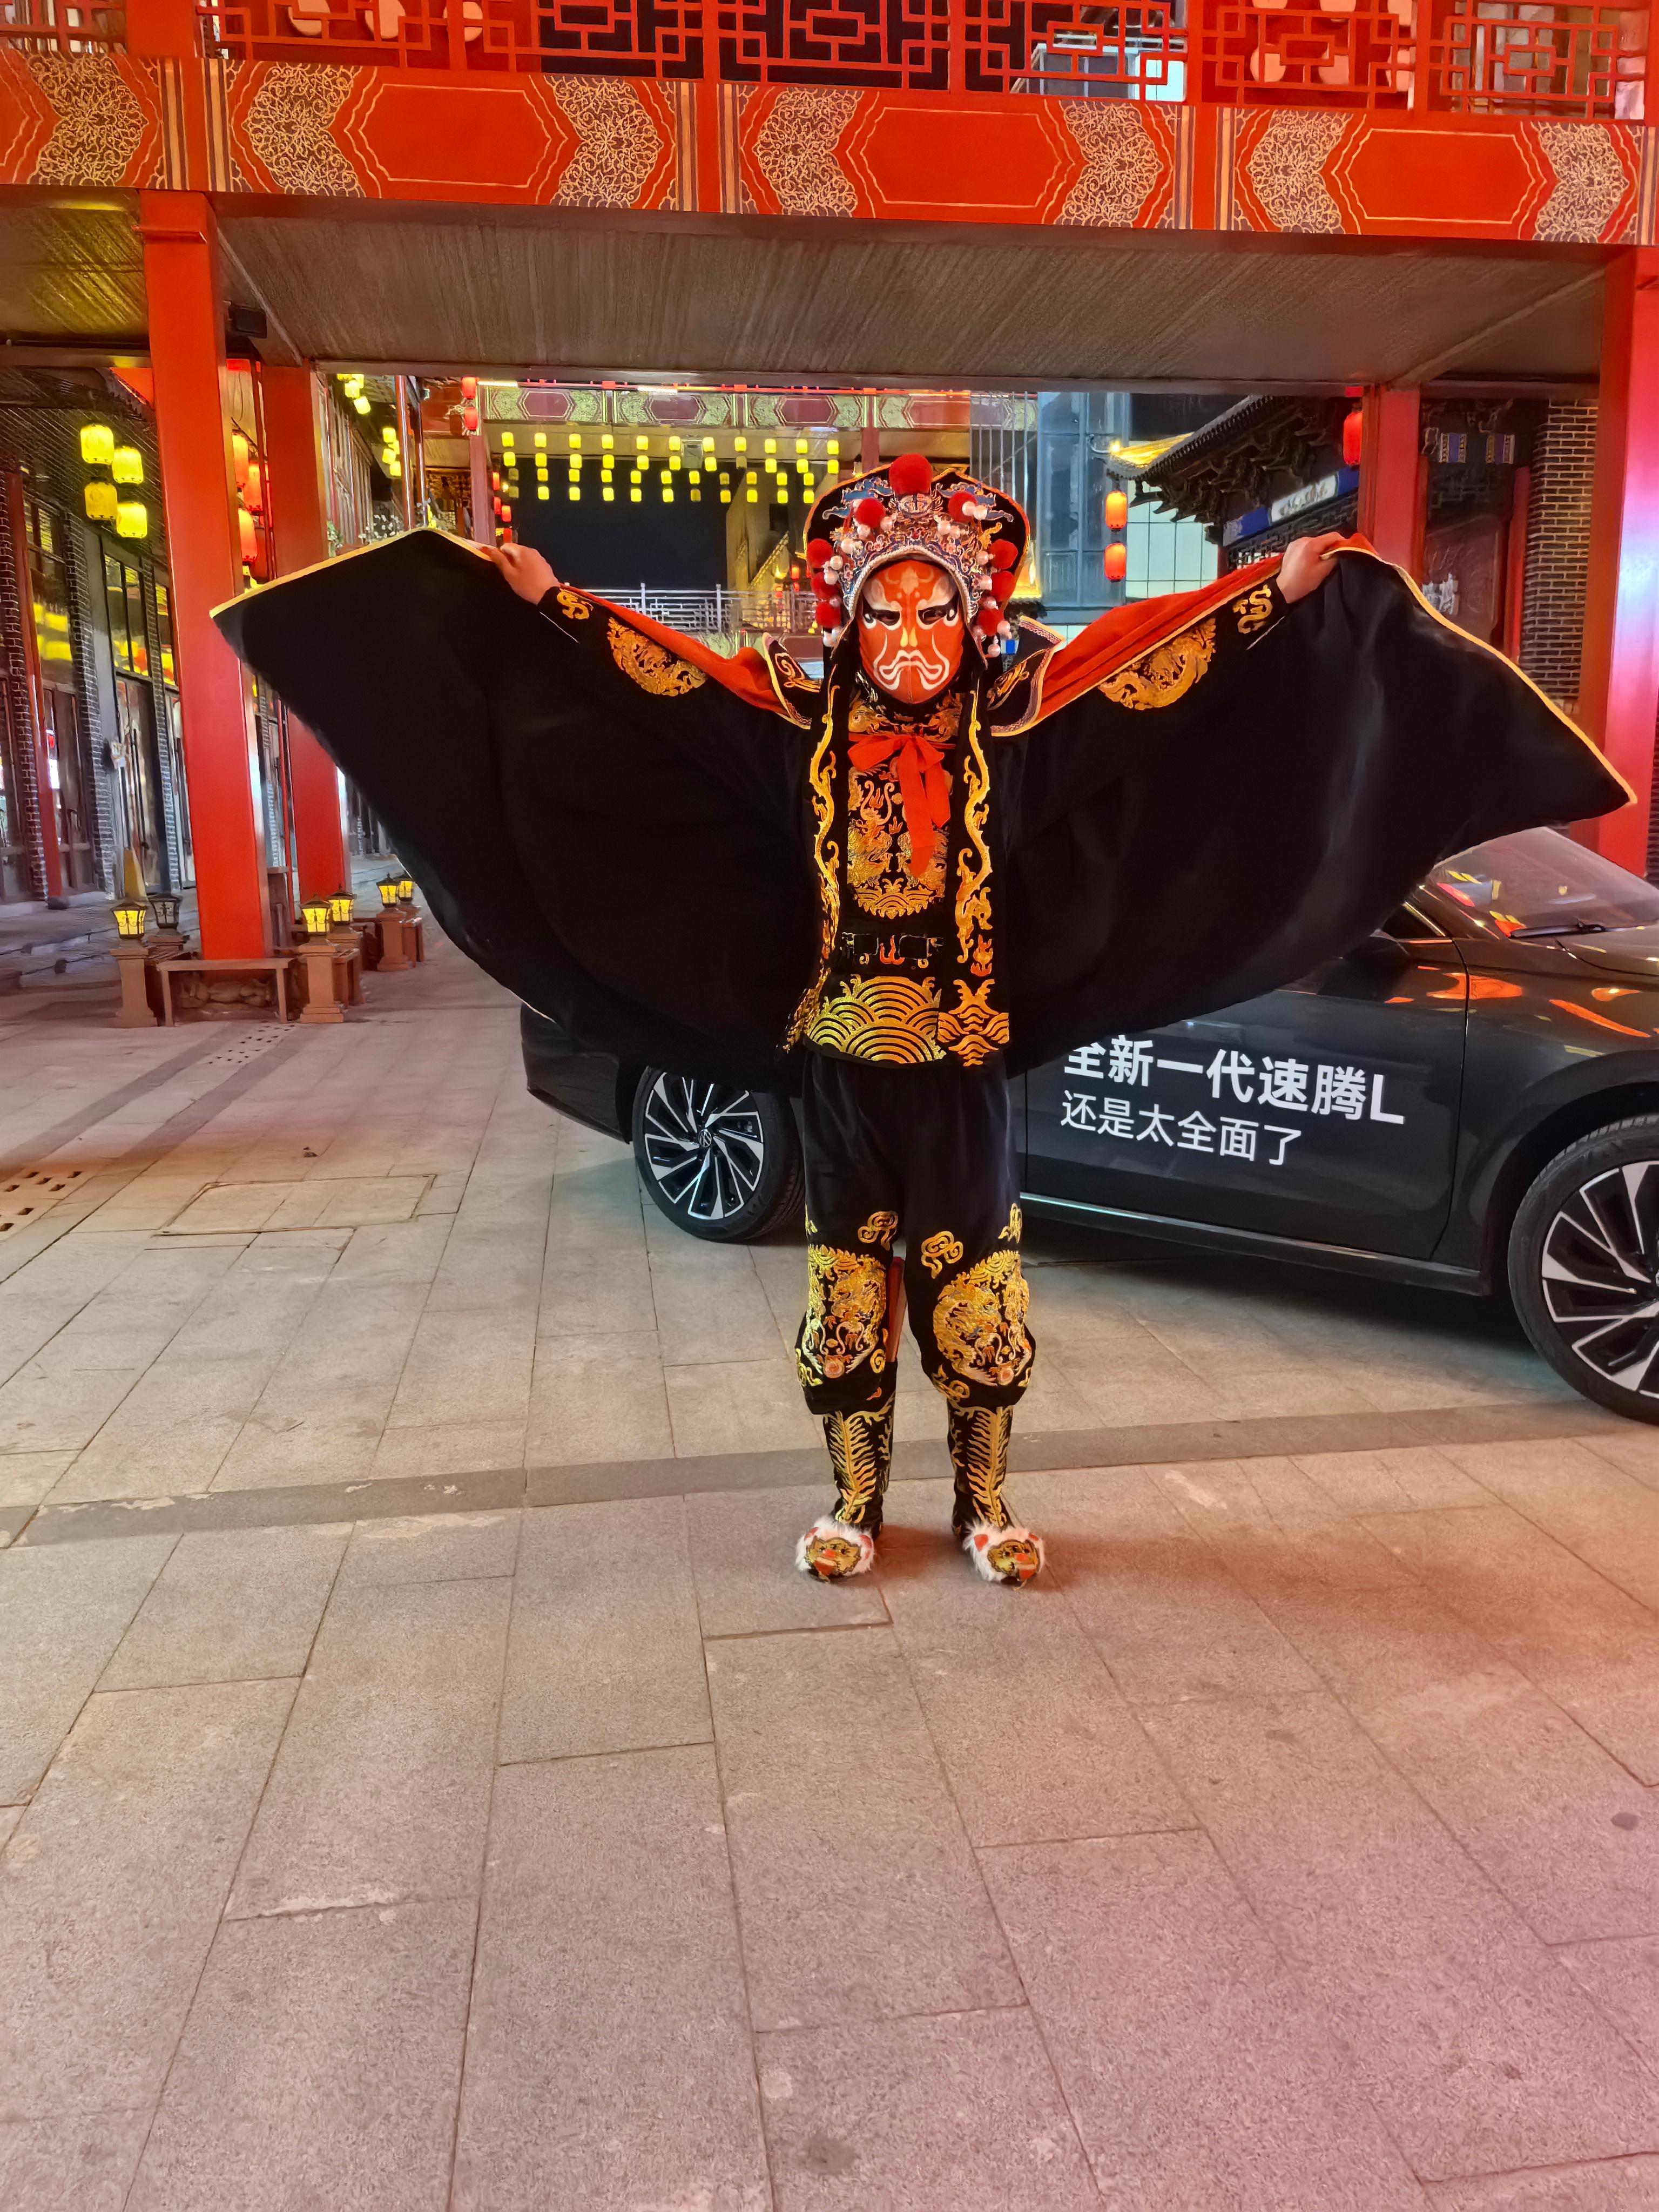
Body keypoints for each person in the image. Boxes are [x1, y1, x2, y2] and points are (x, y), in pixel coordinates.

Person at [217, 456, 1628, 1588]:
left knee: (978, 1295)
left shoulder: (1023, 747)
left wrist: (1273, 595)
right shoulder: (796, 750)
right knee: (846, 1299)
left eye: (933, 613)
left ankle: (985, 1506)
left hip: (964, 1075)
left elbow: (1157, 686)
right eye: (883, 614)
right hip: (840, 1068)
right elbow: (665, 693)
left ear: (972, 624)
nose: (907, 639)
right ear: (849, 623)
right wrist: (554, 609)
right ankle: (854, 1506)